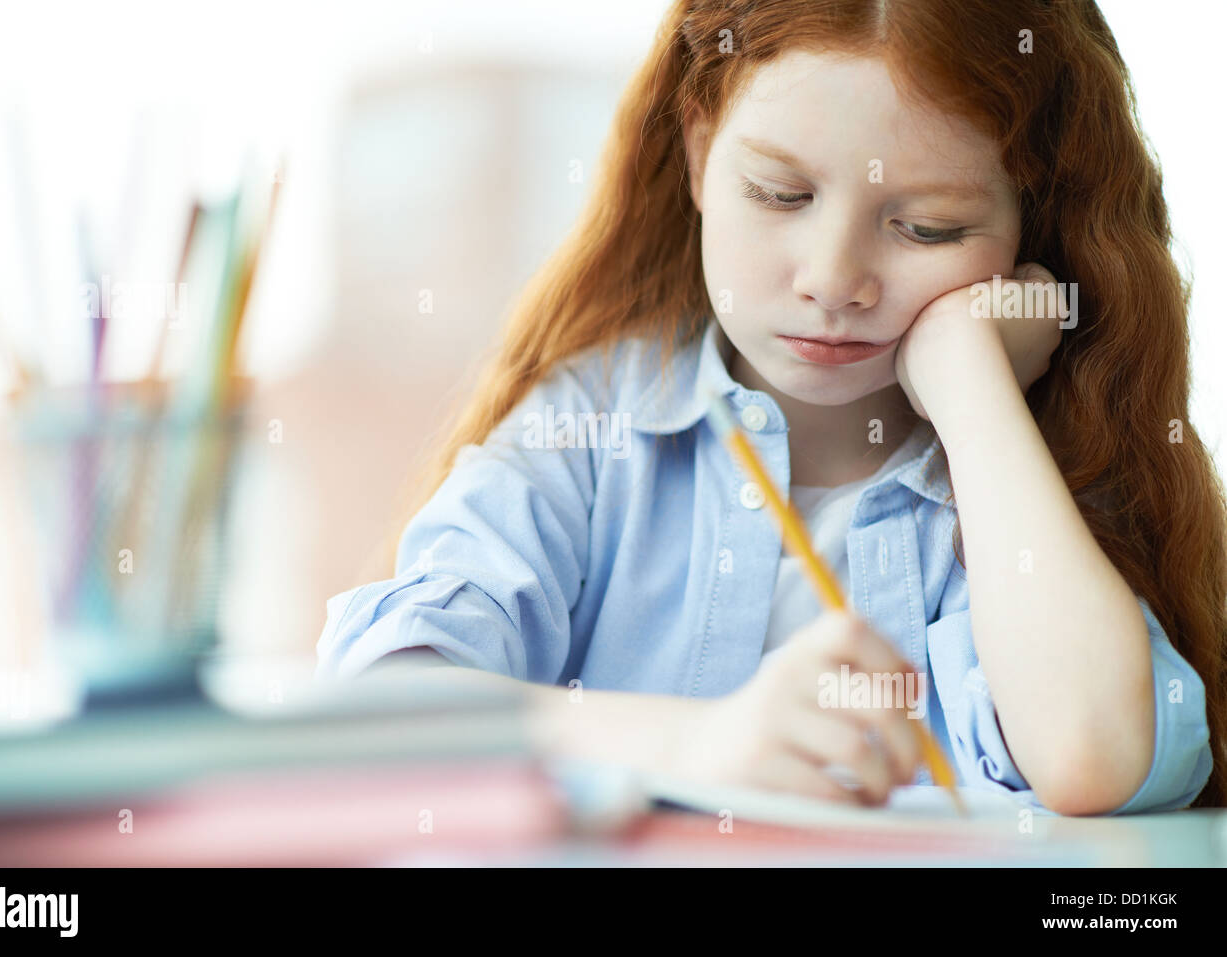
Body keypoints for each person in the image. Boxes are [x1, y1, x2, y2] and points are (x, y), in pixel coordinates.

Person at [316, 0, 1224, 815]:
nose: (832, 281)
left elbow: (1099, 757)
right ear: (702, 152)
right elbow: (381, 708)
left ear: (1029, 226)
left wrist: (971, 385)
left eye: (929, 227)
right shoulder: (591, 431)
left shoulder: (1031, 473)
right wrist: (693, 745)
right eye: (780, 195)